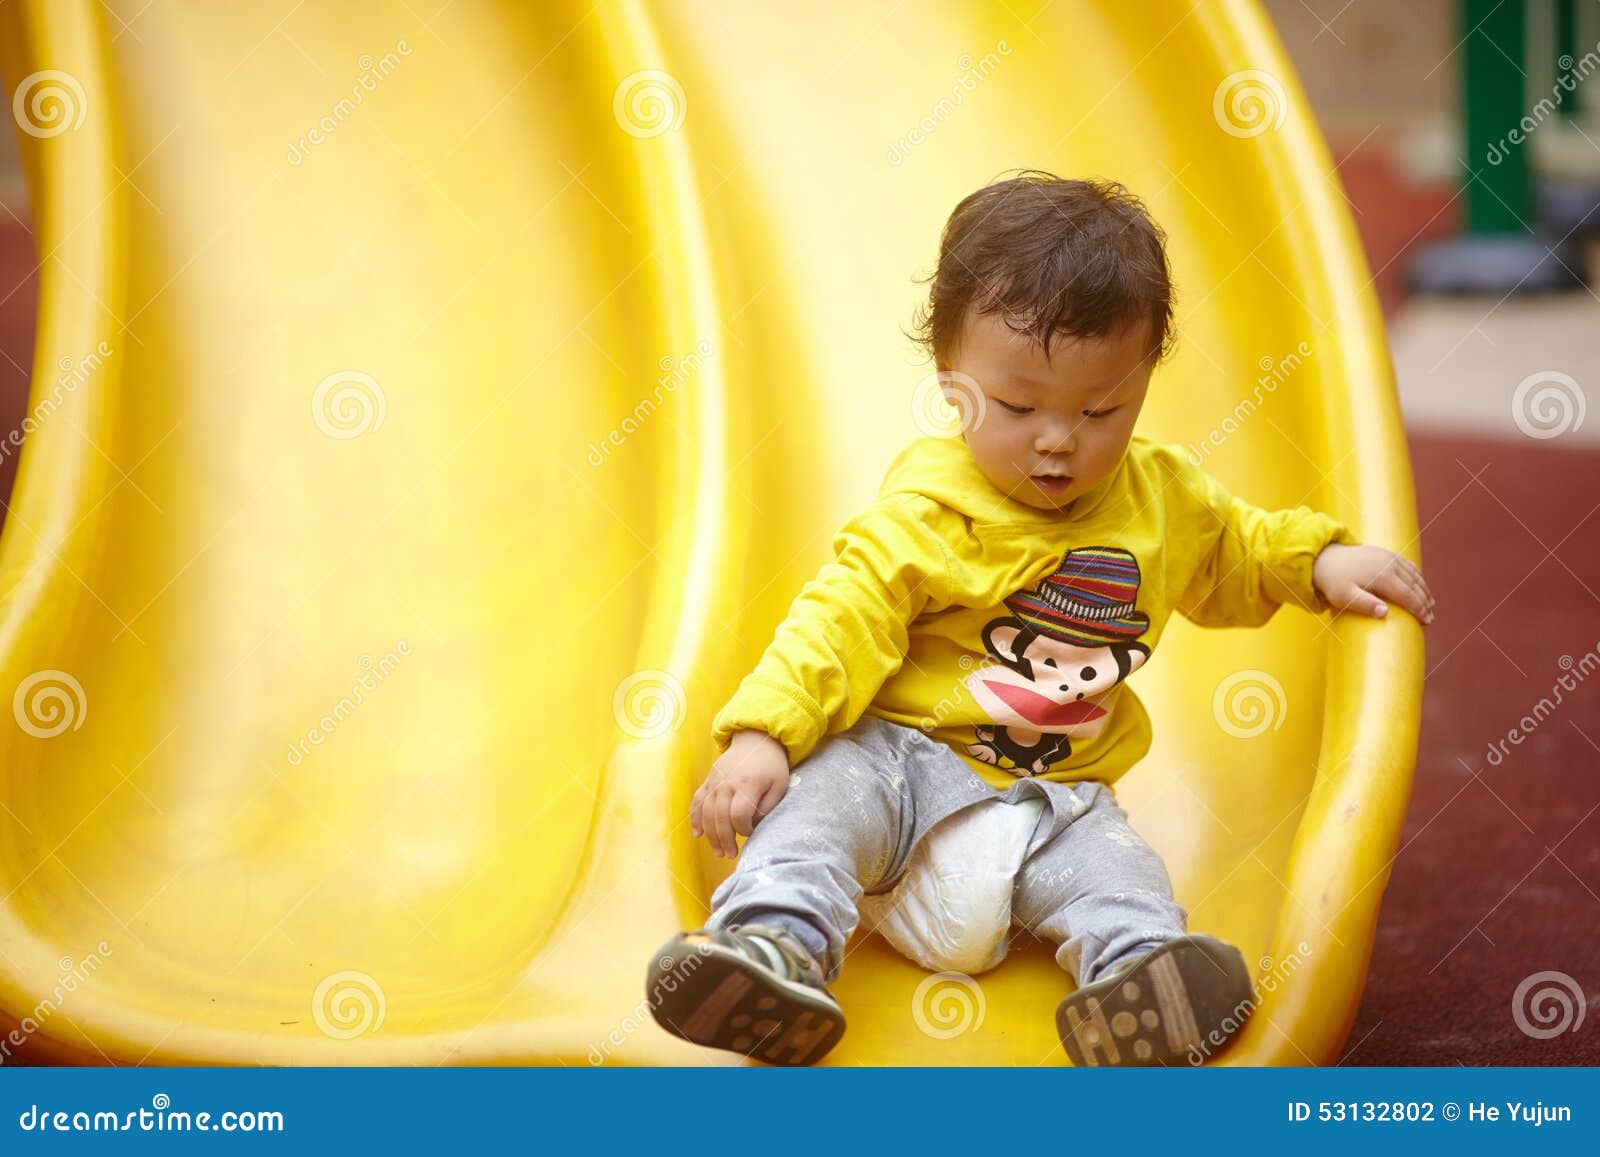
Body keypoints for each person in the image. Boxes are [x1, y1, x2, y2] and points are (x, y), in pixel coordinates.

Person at [645, 171, 1436, 1067]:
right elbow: (836, 622)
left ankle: (1141, 976)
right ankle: (771, 948)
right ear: (952, 381)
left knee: (1118, 872)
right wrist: (763, 736)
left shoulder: (1161, 502)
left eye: (1103, 410)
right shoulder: (929, 513)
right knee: (820, 801)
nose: (1059, 438)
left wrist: (1320, 562)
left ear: (1140, 385)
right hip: (900, 779)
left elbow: (1238, 552)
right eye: (1019, 407)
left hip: (1055, 807)